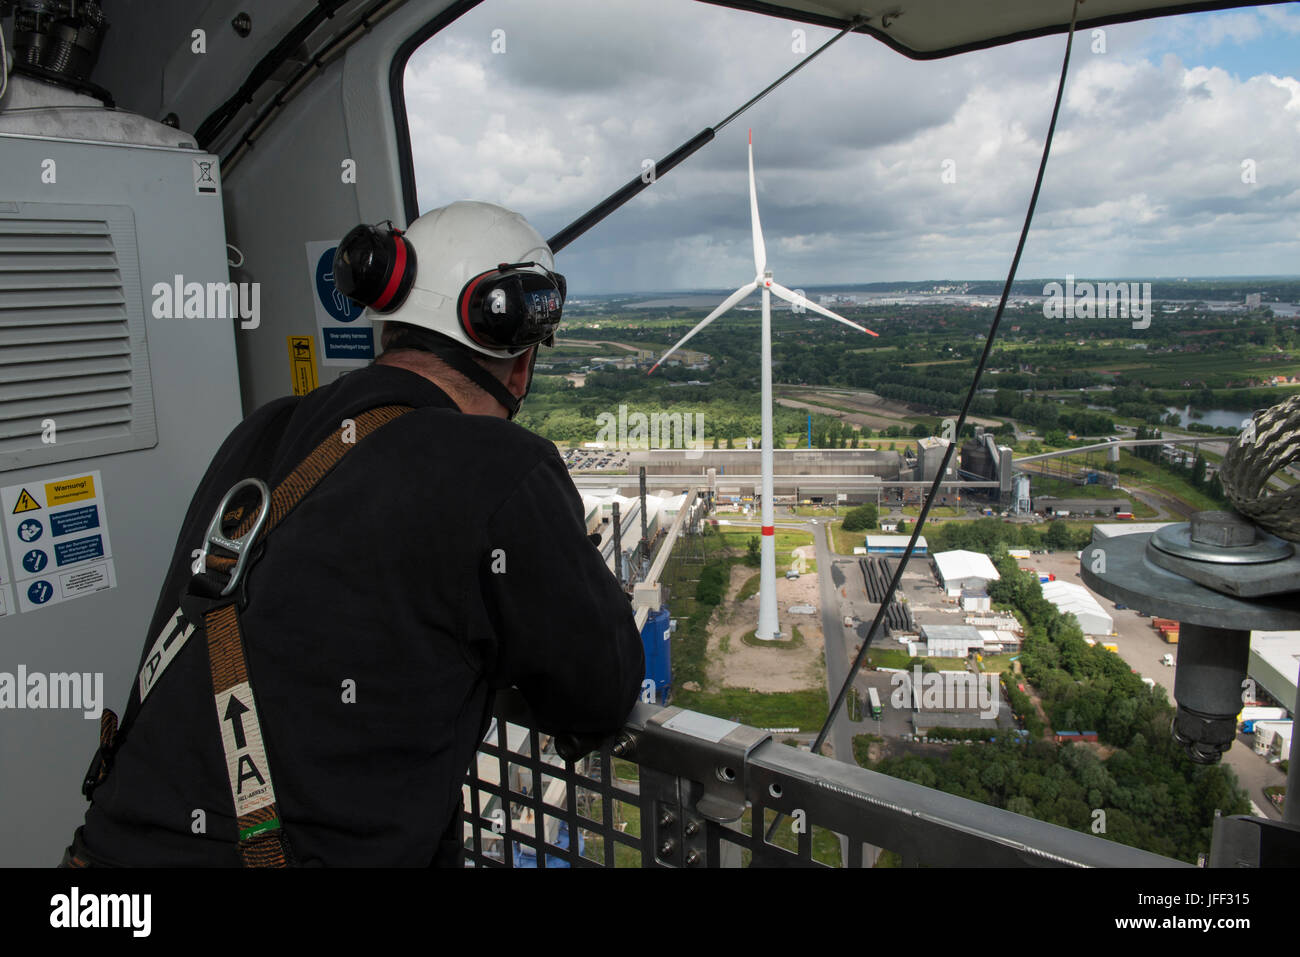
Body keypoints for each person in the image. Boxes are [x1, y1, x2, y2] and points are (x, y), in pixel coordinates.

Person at [64, 201, 645, 866]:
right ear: (519, 364)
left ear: (389, 329)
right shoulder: (500, 467)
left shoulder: (265, 431)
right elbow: (599, 691)